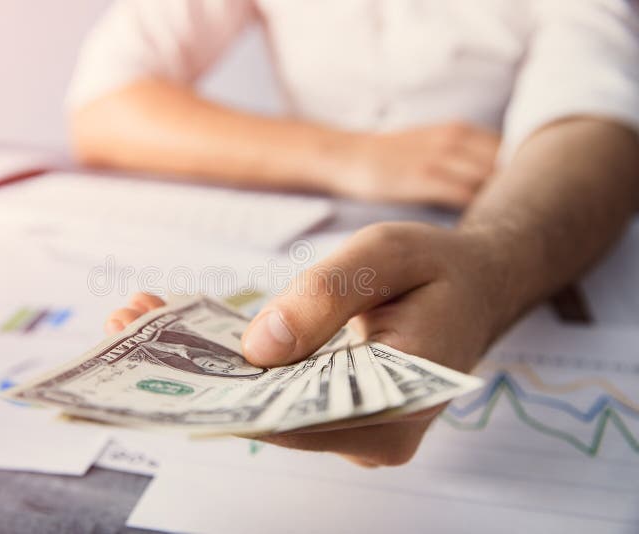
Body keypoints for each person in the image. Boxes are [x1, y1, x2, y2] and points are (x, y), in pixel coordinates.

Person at [72, 1, 639, 467]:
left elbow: (598, 115)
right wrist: (352, 155)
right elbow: (103, 104)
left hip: (512, 229)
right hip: (306, 242)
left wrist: (489, 267)